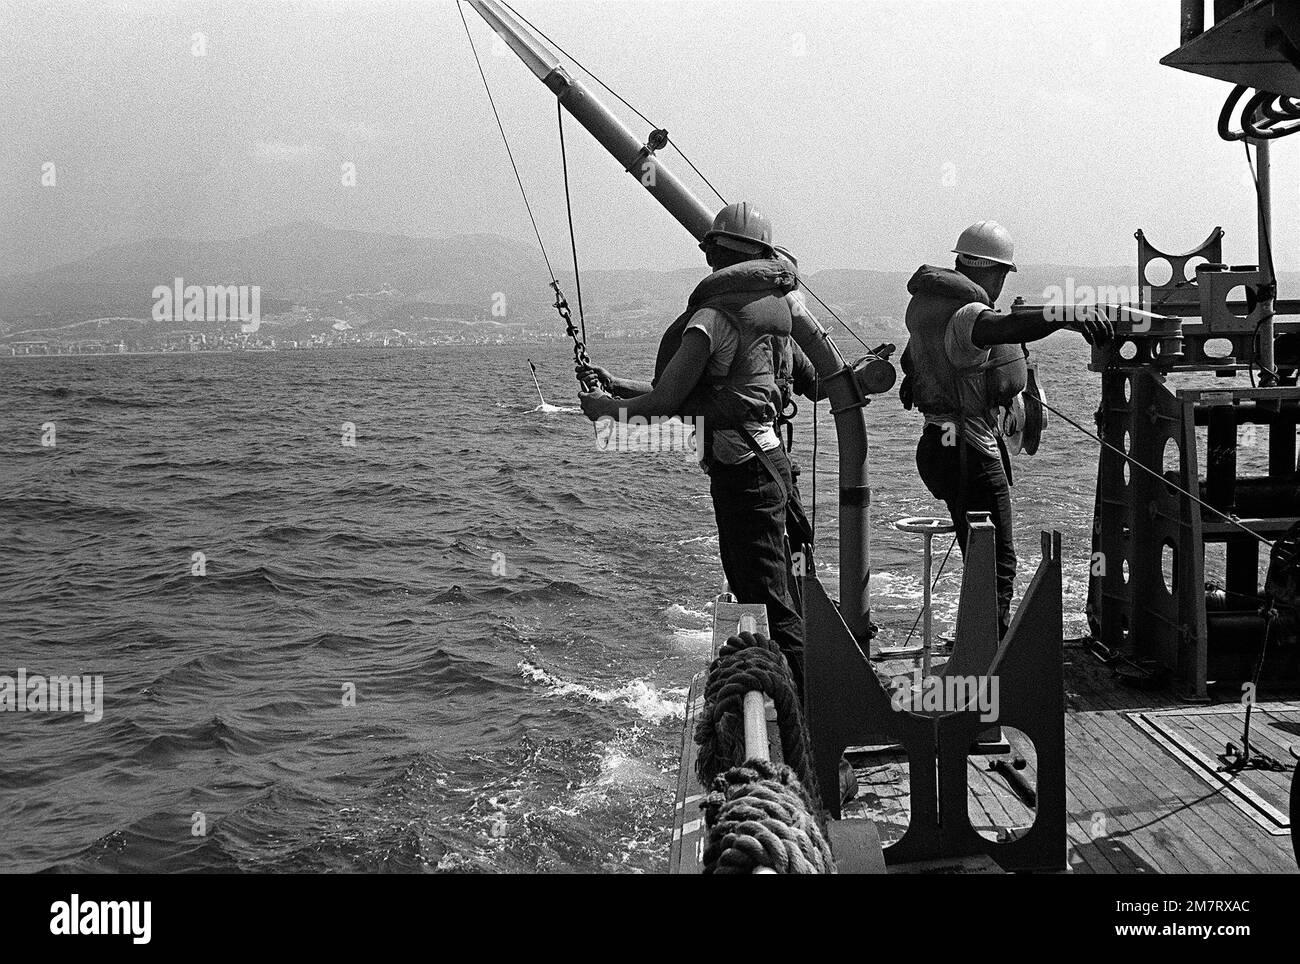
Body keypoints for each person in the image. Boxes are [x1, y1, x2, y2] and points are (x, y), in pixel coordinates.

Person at [577, 202, 827, 695]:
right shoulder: (776, 316)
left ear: (715, 253)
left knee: (765, 598)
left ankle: (810, 720)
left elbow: (667, 400)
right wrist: (618, 385)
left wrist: (605, 412)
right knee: (781, 586)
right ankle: (809, 698)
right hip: (771, 462)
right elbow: (792, 385)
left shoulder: (711, 318)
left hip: (742, 474)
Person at [900, 220, 1112, 637]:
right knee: (997, 564)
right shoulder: (967, 314)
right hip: (969, 453)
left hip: (938, 445)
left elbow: (913, 365)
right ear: (992, 271)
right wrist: (1068, 312)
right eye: (1002, 274)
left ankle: (975, 648)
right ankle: (989, 663)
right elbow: (1005, 328)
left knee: (979, 556)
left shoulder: (930, 310)